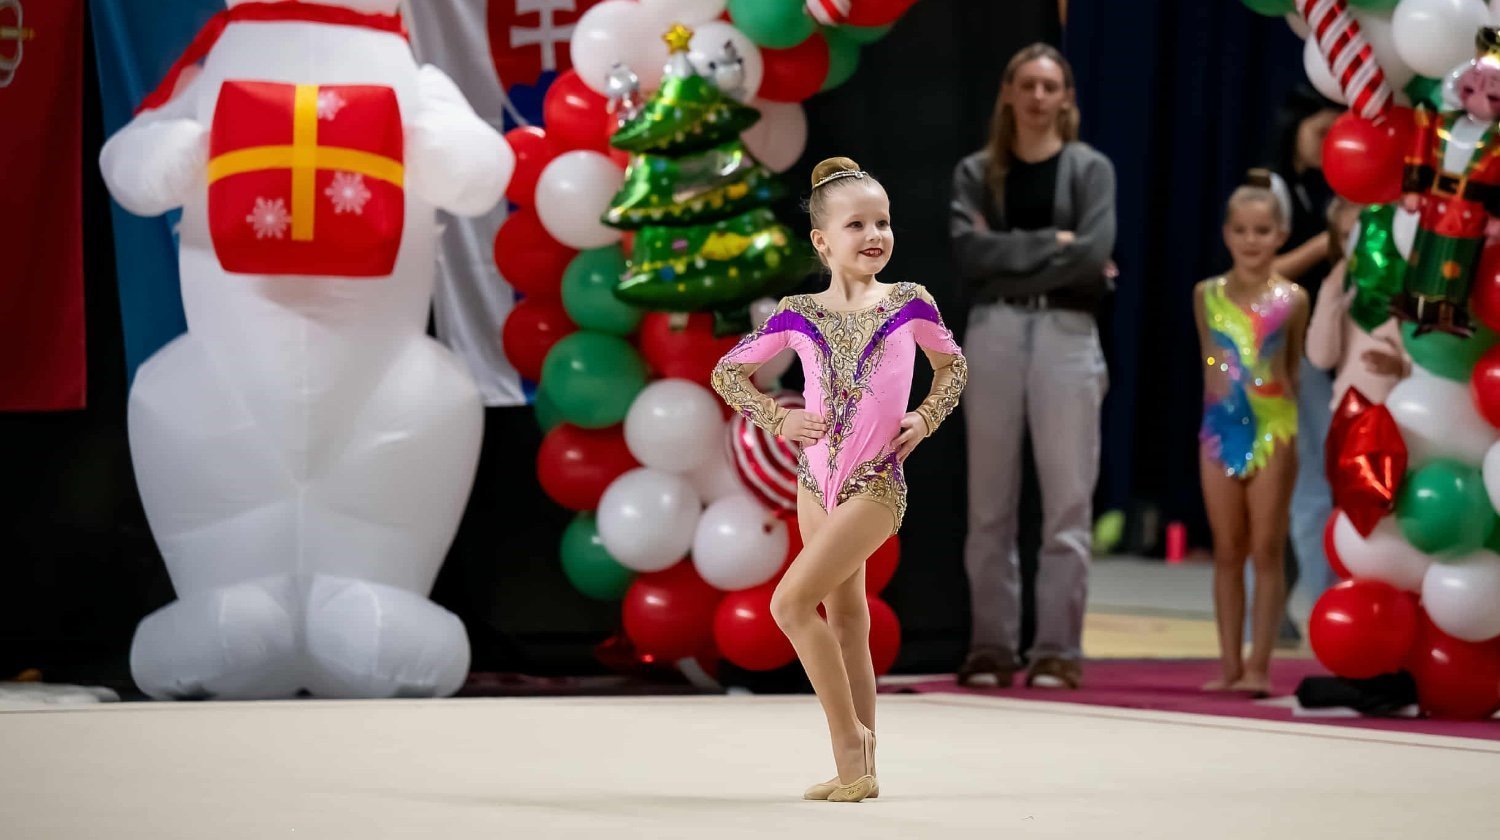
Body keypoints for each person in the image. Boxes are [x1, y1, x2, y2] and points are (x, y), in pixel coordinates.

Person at [710, 156, 967, 803]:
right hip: (812, 481)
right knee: (845, 613)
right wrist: (778, 417)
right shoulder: (797, 312)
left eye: (882, 222)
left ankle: (848, 741)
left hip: (877, 483)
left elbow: (952, 368)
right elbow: (727, 372)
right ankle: (862, 763)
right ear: (823, 241)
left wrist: (926, 417)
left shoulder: (909, 303)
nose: (875, 234)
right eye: (858, 224)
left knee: (789, 604)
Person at [950, 43, 1116, 690]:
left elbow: (1095, 255)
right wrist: (1054, 244)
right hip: (994, 331)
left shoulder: (1091, 170)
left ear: (1066, 98)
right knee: (989, 504)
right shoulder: (976, 173)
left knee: (1067, 502)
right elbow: (969, 255)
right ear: (1010, 95)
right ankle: (991, 645)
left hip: (1067, 333)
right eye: (1028, 85)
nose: (1040, 97)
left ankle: (1056, 648)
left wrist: (1015, 253)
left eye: (1051, 86)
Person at [1195, 171, 1310, 696]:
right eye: (1241, 230)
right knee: (1226, 550)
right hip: (1219, 432)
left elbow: (1291, 366)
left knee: (1265, 548)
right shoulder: (1206, 295)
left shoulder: (1294, 299)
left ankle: (1259, 667)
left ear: (1281, 235)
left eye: (1262, 231)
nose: (1251, 241)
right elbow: (1210, 366)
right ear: (1226, 234)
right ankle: (1227, 665)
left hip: (1273, 430)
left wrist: (1280, 427)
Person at [1261, 87, 1344, 645]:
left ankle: (1297, 611)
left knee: (1308, 486)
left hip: (1316, 347)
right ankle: (1319, 610)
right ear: (1296, 125)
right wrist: (1327, 243)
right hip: (1276, 347)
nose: (1330, 145)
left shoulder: (1324, 189)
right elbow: (1259, 273)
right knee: (1299, 486)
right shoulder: (1267, 187)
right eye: (1322, 133)